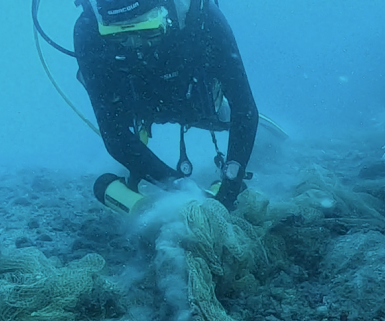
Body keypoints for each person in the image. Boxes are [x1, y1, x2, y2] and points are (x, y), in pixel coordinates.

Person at [73, 0, 258, 209]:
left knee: (224, 118)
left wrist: (230, 185)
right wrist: (178, 185)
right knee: (129, 134)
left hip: (195, 101)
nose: (137, 48)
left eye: (149, 33)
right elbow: (114, 136)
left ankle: (228, 118)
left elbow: (244, 110)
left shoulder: (202, 16)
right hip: (138, 106)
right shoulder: (88, 29)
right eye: (120, 37)